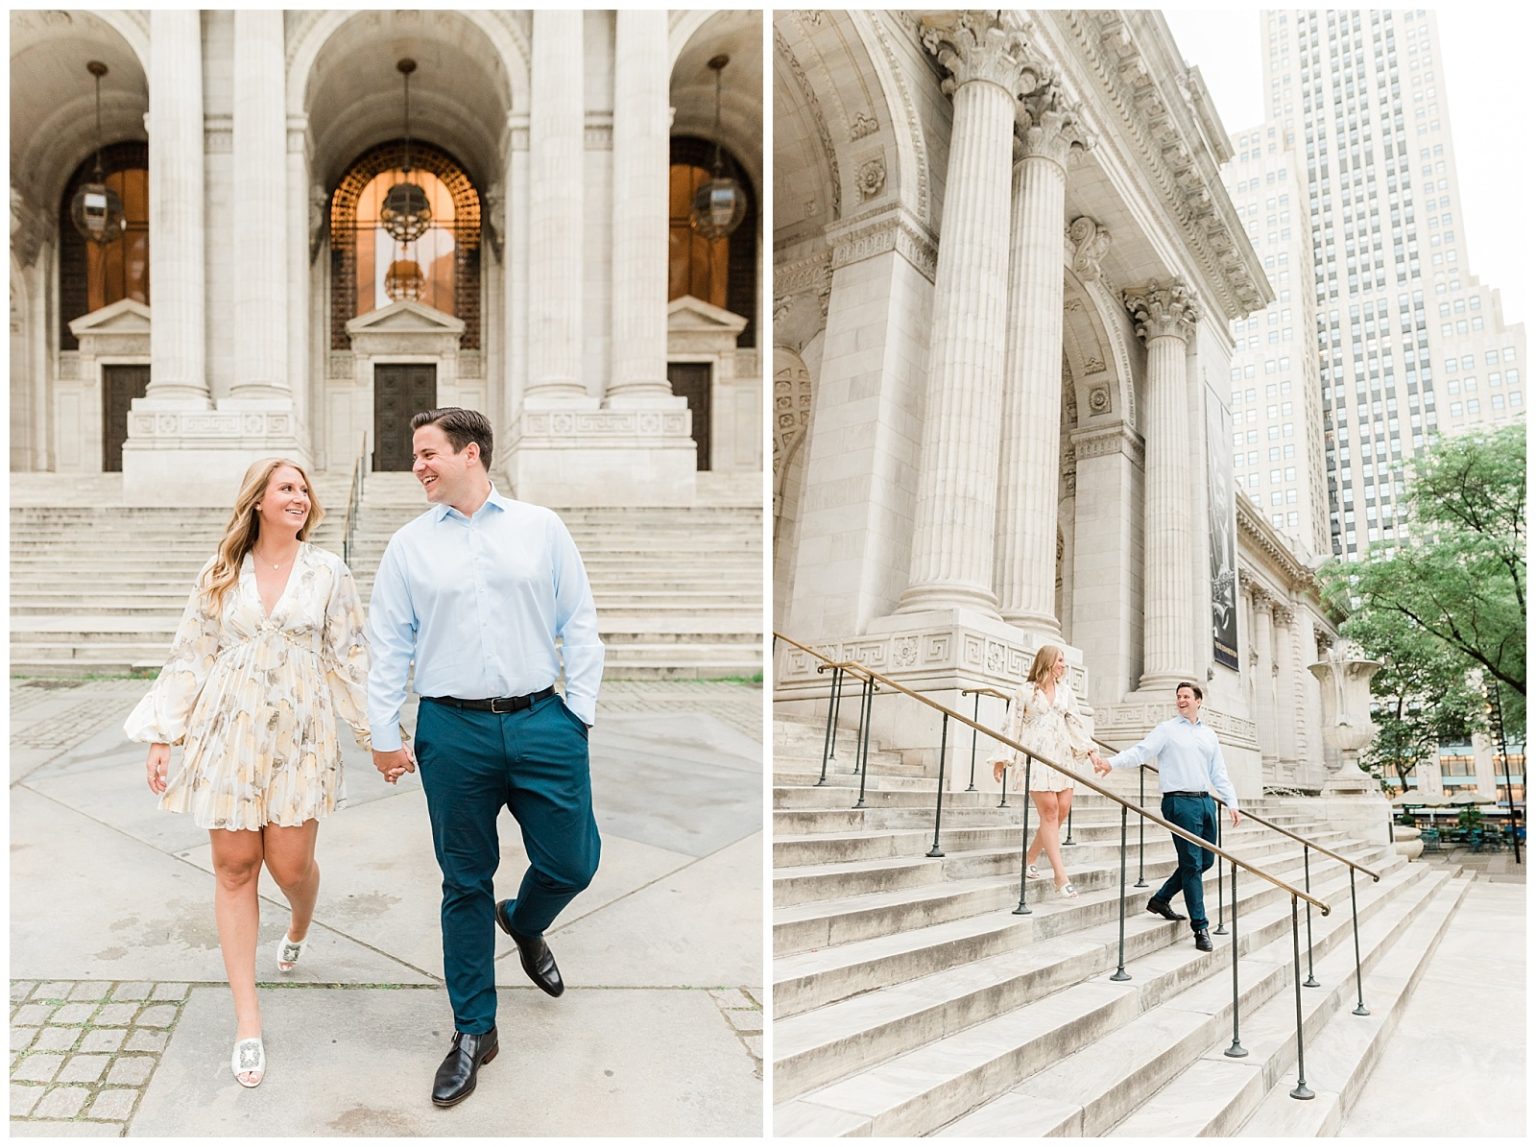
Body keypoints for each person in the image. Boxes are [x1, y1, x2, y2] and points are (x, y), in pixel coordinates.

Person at [366, 407, 604, 1109]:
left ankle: (525, 921)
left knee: (574, 861)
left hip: (542, 721)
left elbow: (579, 620)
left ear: (471, 453)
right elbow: (390, 644)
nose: (418, 466)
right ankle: (476, 1029)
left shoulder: (541, 528)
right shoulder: (408, 547)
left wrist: (578, 713)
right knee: (463, 881)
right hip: (452, 730)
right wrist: (386, 728)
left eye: (428, 453)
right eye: (415, 455)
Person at [126, 458, 373, 1088]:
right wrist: (163, 734)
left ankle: (298, 920)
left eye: (304, 489)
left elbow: (349, 656)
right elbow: (191, 653)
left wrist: (380, 736)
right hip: (227, 734)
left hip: (300, 737)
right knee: (235, 868)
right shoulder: (220, 573)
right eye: (286, 487)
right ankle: (247, 1021)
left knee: (290, 867)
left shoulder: (328, 571)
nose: (300, 496)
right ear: (258, 500)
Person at [1092, 681, 1241, 951]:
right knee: (1192, 864)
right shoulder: (1167, 730)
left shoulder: (1209, 734)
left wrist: (1231, 801)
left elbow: (1218, 771)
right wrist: (1111, 763)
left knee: (1204, 861)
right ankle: (1201, 927)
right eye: (1178, 696)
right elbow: (1141, 752)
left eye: (1186, 696)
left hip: (1205, 802)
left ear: (1199, 701)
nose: (1181, 700)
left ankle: (1161, 899)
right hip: (1179, 803)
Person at [987, 645, 1096, 899]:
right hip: (1036, 759)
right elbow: (1010, 724)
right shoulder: (1025, 692)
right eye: (1060, 660)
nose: (1063, 665)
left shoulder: (1066, 692)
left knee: (1062, 810)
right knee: (1049, 811)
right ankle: (1060, 877)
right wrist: (1002, 757)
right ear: (1047, 662)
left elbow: (1076, 723)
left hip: (1062, 758)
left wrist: (1091, 751)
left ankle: (1030, 858)